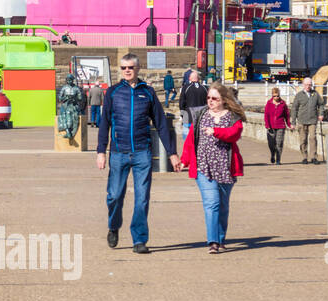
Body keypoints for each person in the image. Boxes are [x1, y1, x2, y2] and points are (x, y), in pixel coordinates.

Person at [97, 54, 181, 253]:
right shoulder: (113, 92)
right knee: (115, 195)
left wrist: (172, 153)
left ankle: (139, 240)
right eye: (124, 67)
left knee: (142, 197)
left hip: (143, 153)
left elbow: (161, 124)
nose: (127, 70)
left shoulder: (148, 92)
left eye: (131, 68)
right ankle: (114, 225)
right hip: (119, 152)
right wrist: (101, 151)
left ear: (138, 69)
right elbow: (105, 123)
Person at [179, 83, 246, 253]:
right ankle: (213, 242)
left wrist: (216, 131)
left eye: (214, 98)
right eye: (208, 98)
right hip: (204, 165)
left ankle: (221, 238)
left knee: (223, 206)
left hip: (225, 167)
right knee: (212, 203)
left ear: (223, 100)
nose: (210, 101)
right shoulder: (201, 115)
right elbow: (191, 141)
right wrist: (184, 160)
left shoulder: (232, 118)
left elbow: (234, 134)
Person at [289, 77, 323, 164]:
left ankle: (313, 157)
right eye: (306, 84)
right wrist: (293, 122)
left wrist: (321, 114)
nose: (308, 86)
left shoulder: (315, 94)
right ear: (303, 85)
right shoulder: (299, 95)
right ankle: (304, 157)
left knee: (313, 138)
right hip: (302, 120)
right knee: (303, 140)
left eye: (309, 85)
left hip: (312, 120)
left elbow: (321, 104)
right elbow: (294, 109)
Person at [264, 87, 290, 164]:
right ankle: (272, 154)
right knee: (271, 144)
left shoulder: (283, 103)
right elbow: (266, 115)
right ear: (272, 96)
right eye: (274, 96)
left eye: (277, 96)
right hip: (271, 127)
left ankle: (278, 159)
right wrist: (267, 125)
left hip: (280, 126)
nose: (276, 97)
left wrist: (289, 124)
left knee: (279, 143)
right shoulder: (269, 103)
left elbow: (287, 115)